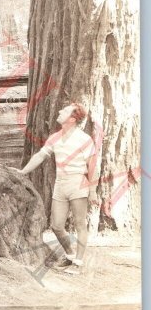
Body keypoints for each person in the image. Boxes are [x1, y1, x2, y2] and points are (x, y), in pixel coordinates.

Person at [17, 102, 99, 275]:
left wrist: (92, 191)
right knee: (56, 225)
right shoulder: (55, 137)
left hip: (78, 183)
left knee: (79, 224)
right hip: (60, 184)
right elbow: (40, 155)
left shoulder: (84, 139)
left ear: (73, 118)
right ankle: (69, 255)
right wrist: (23, 171)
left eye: (65, 110)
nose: (60, 111)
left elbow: (93, 167)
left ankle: (78, 262)